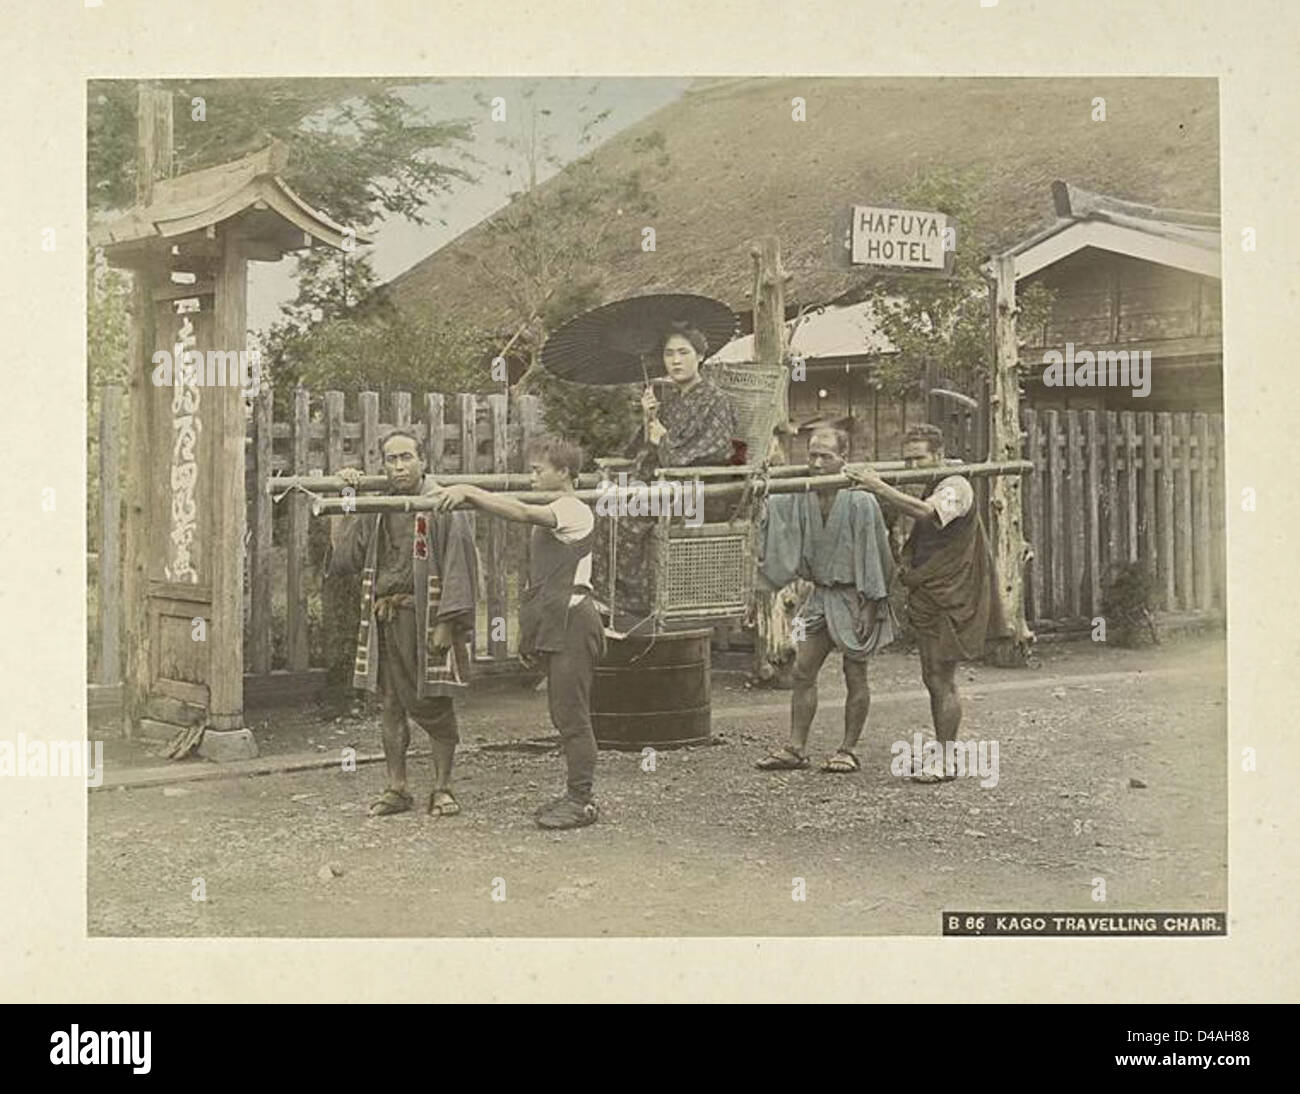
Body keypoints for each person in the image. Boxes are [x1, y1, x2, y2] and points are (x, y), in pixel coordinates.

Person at [435, 437, 605, 830]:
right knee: (563, 713)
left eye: (538, 470)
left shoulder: (572, 509)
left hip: (575, 624)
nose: (532, 476)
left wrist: (469, 492)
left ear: (564, 473)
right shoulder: (558, 506)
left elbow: (521, 513)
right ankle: (577, 795)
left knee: (572, 717)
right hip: (560, 621)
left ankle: (582, 800)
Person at [845, 423, 1008, 783]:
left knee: (941, 678)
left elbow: (927, 514)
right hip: (932, 592)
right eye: (908, 460)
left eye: (919, 458)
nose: (913, 465)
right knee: (932, 676)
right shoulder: (934, 481)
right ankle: (943, 752)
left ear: (938, 454)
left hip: (952, 594)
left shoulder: (956, 485)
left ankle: (948, 760)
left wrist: (877, 485)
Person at [327, 429, 478, 816]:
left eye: (406, 457)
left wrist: (449, 621)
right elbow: (345, 559)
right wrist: (348, 497)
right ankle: (397, 787)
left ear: (423, 460)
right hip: (385, 618)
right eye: (391, 459)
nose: (399, 466)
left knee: (433, 702)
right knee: (391, 704)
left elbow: (461, 565)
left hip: (426, 618)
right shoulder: (381, 507)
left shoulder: (444, 503)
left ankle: (443, 787)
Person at [754, 427, 896, 774]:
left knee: (855, 672)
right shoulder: (800, 493)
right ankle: (796, 747)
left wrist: (871, 605)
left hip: (856, 595)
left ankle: (847, 749)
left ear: (843, 459)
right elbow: (772, 510)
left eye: (826, 456)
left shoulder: (861, 500)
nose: (817, 463)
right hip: (818, 597)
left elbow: (877, 555)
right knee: (803, 671)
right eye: (812, 455)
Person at [599, 322, 741, 629]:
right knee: (604, 506)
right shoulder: (671, 401)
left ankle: (638, 603)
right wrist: (649, 416)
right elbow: (643, 451)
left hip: (698, 494)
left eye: (683, 353)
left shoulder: (717, 401)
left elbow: (711, 454)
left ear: (701, 356)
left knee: (623, 516)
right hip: (664, 489)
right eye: (668, 354)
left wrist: (662, 439)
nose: (675, 361)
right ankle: (616, 601)